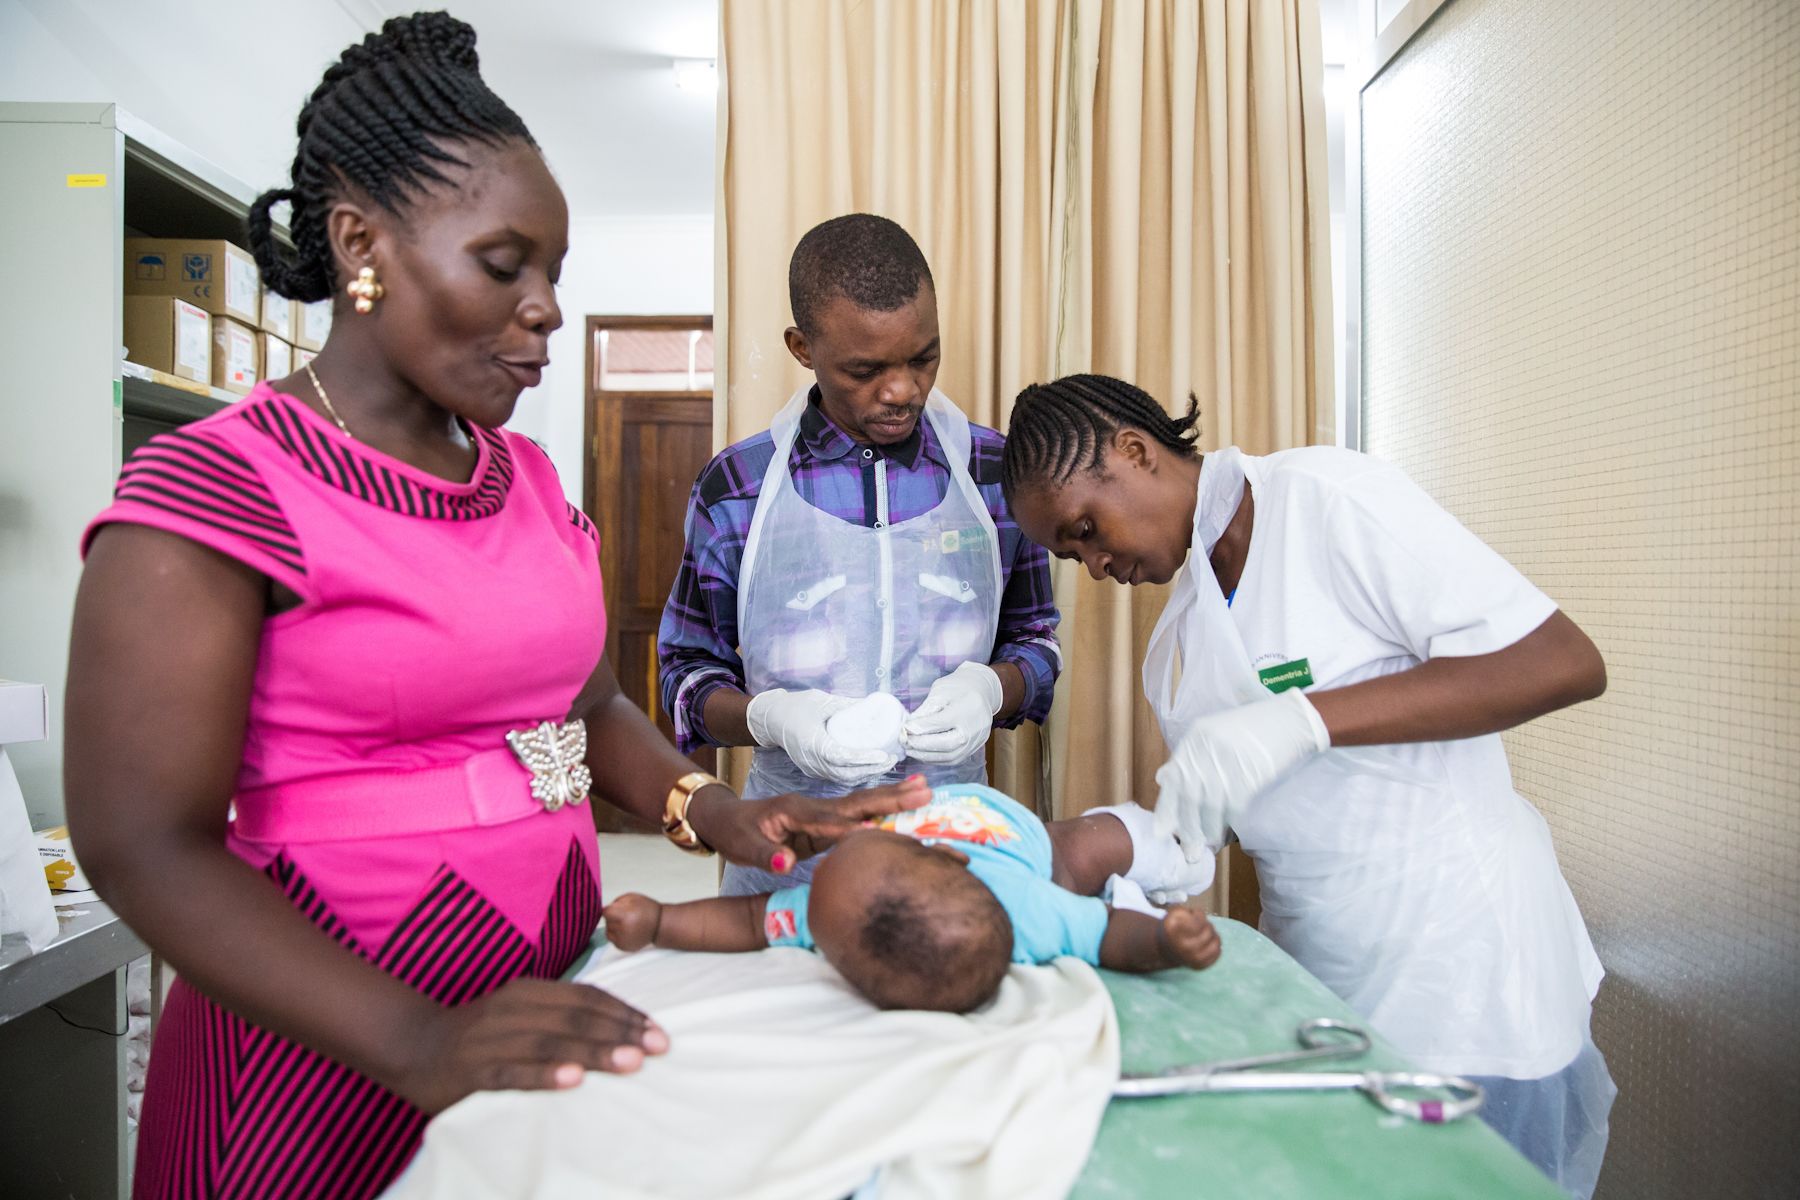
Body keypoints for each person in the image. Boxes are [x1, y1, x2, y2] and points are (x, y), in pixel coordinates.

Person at [62, 15, 923, 1199]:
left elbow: (590, 704)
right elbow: (141, 845)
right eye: (505, 264)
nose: (548, 309)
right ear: (360, 244)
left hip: (530, 1017)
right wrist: (418, 1040)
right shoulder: (218, 487)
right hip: (314, 1071)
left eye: (554, 273)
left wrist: (721, 812)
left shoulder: (522, 480)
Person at [998, 374, 1617, 1198]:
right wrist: (1116, 839)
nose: (1097, 565)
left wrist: (1303, 720)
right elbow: (1213, 824)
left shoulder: (1325, 500)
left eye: (1086, 530)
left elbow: (1562, 662)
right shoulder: (1180, 640)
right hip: (1323, 982)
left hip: (1466, 970)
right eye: (1073, 556)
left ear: (1135, 452)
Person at [658, 214, 1064, 897]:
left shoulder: (993, 472)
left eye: (923, 358)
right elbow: (684, 674)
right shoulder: (738, 489)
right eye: (866, 370)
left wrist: (992, 689)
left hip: (954, 851)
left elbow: (1037, 641)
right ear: (802, 348)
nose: (903, 390)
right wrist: (771, 717)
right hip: (790, 858)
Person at [603, 783, 1224, 1013]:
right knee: (1086, 846)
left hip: (947, 804)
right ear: (950, 856)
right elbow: (1108, 934)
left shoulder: (831, 910)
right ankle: (1165, 850)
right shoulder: (1028, 909)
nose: (821, 868)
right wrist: (1164, 939)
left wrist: (661, 921)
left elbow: (743, 920)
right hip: (1014, 837)